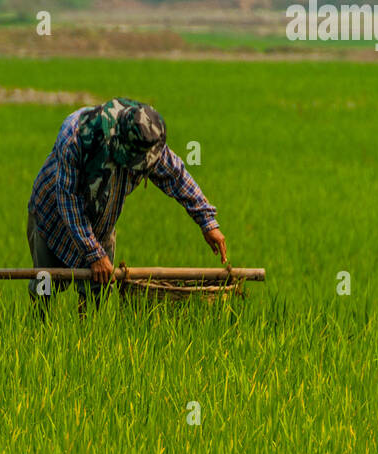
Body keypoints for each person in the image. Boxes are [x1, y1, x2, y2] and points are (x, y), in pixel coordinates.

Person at [27, 98, 228, 310]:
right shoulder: (76, 136)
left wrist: (207, 221)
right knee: (45, 287)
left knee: (98, 292)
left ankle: (86, 338)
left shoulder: (145, 138)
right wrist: (94, 254)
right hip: (52, 218)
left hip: (102, 223)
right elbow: (68, 199)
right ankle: (39, 332)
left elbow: (175, 175)